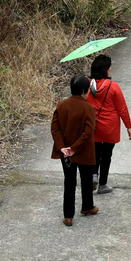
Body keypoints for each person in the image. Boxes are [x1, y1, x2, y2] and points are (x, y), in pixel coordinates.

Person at [51, 75, 98, 226]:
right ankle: (87, 207)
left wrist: (63, 147)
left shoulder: (62, 105)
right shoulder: (89, 108)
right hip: (83, 151)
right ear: (84, 91)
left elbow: (55, 128)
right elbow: (88, 132)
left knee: (69, 181)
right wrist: (74, 148)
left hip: (65, 153)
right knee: (86, 179)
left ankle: (68, 215)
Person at [88, 55, 131, 194]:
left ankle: (93, 175)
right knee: (107, 155)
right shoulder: (113, 86)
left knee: (94, 152)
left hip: (93, 125)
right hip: (110, 127)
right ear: (106, 70)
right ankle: (103, 184)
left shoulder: (87, 84)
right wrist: (128, 126)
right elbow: (122, 108)